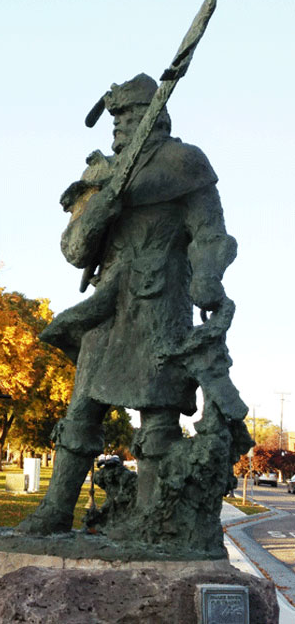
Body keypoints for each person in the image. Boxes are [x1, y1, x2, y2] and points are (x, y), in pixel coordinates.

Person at [17, 73, 237, 535]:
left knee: (158, 413)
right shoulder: (101, 175)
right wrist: (102, 209)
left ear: (154, 116)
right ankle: (55, 510)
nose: (118, 125)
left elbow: (211, 234)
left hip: (161, 299)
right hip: (109, 303)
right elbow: (75, 250)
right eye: (115, 116)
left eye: (128, 114)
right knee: (82, 410)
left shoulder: (184, 164)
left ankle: (151, 519)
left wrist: (208, 277)